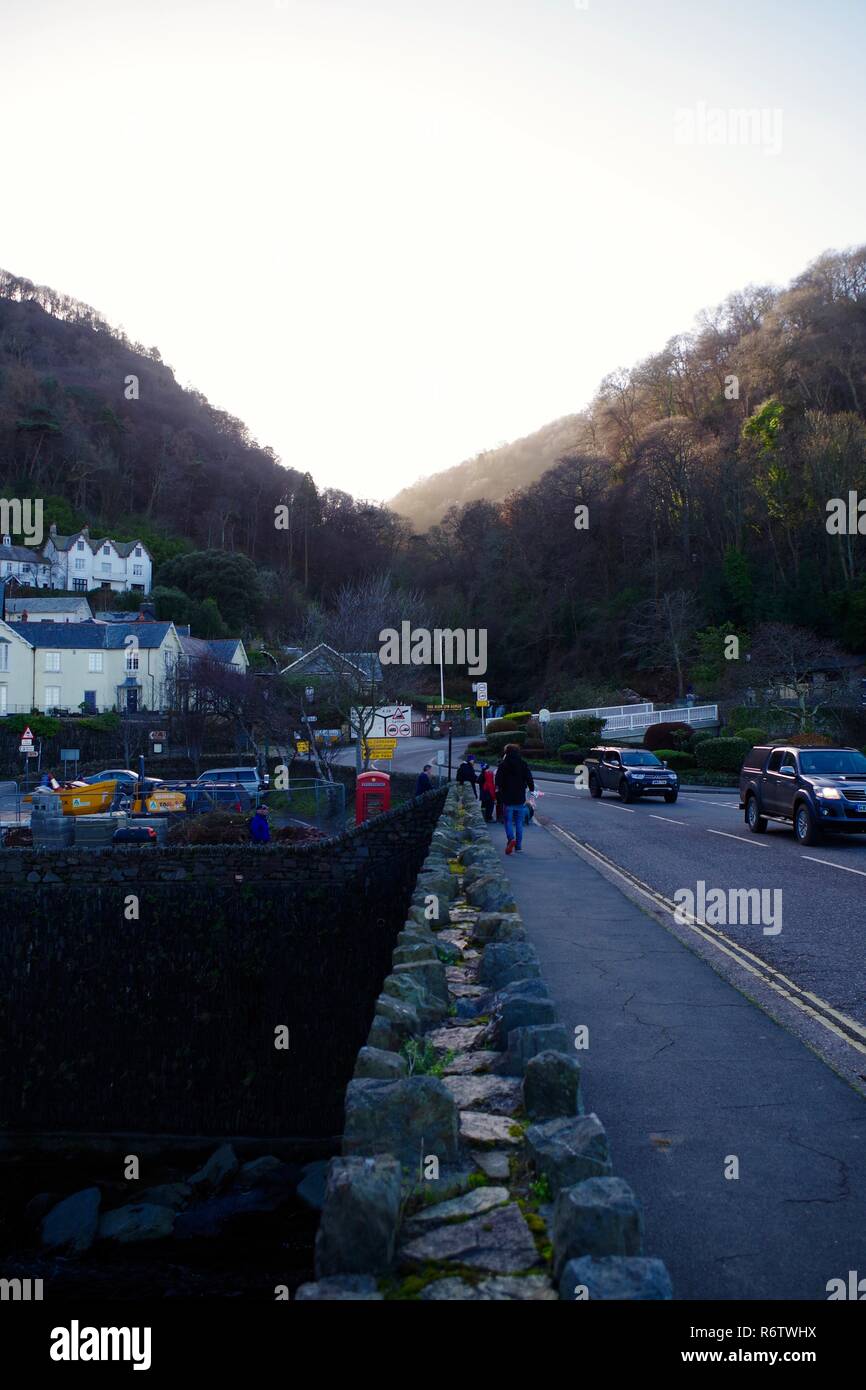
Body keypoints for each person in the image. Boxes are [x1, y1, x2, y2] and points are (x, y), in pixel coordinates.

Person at [495, 742, 535, 854]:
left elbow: (498, 781)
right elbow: (529, 778)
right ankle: (518, 846)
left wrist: (501, 789)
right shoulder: (523, 764)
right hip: (520, 798)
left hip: (507, 799)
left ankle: (511, 839)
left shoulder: (503, 765)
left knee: (508, 821)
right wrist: (531, 789)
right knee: (519, 823)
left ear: (506, 753)